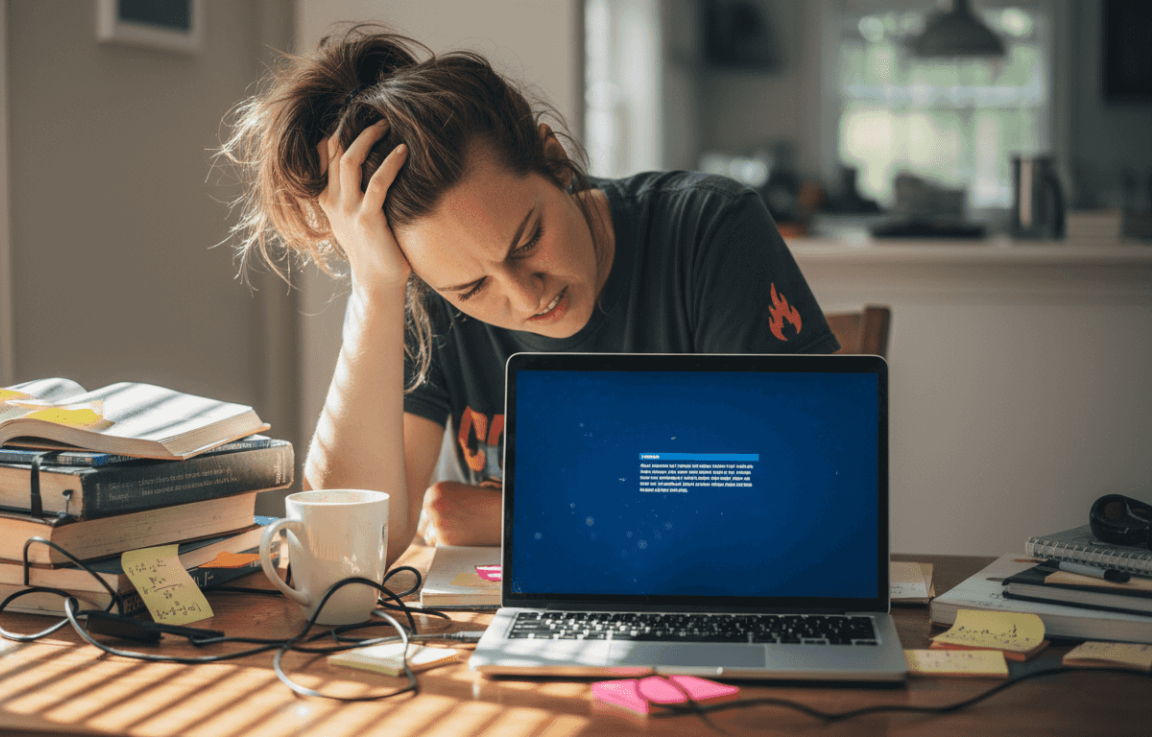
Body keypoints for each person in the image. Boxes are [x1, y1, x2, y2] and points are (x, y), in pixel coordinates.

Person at [221, 25, 838, 566]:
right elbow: (345, 551)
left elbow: (805, 491)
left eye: (527, 240)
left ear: (556, 161)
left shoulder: (710, 228)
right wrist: (376, 288)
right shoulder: (427, 298)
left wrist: (510, 513)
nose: (524, 295)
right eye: (472, 287)